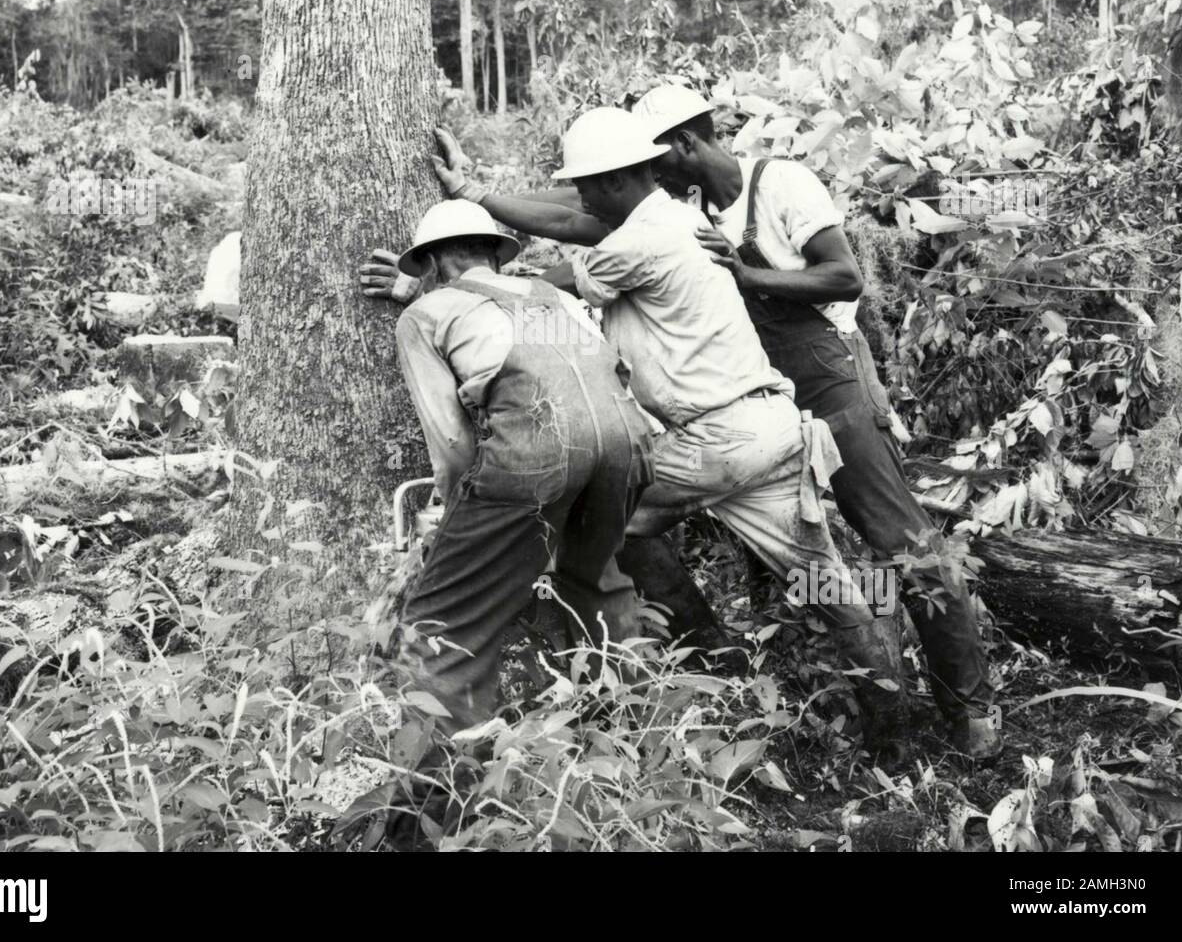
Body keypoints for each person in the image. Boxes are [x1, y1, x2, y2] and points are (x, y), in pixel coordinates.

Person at [381, 108, 913, 758]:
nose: (579, 199)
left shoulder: (636, 242)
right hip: (773, 430)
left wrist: (435, 297)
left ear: (611, 184)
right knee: (833, 590)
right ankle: (897, 741)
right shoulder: (679, 217)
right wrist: (476, 196)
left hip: (711, 443)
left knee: (584, 512)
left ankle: (690, 667)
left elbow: (543, 285)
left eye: (586, 186)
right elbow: (573, 224)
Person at [618, 84, 997, 757]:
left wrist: (749, 277)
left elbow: (843, 276)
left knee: (901, 543)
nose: (656, 179)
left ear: (685, 144)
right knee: (802, 555)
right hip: (767, 402)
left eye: (660, 162)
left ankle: (969, 707)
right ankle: (854, 687)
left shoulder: (780, 182)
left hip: (830, 385)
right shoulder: (695, 209)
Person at [388, 198, 656, 731]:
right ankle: (639, 733)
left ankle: (439, 779)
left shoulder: (423, 315)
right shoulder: (553, 296)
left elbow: (451, 442)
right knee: (596, 581)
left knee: (444, 620)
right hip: (629, 442)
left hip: (538, 453)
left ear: (434, 264)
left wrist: (458, 515)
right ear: (495, 254)